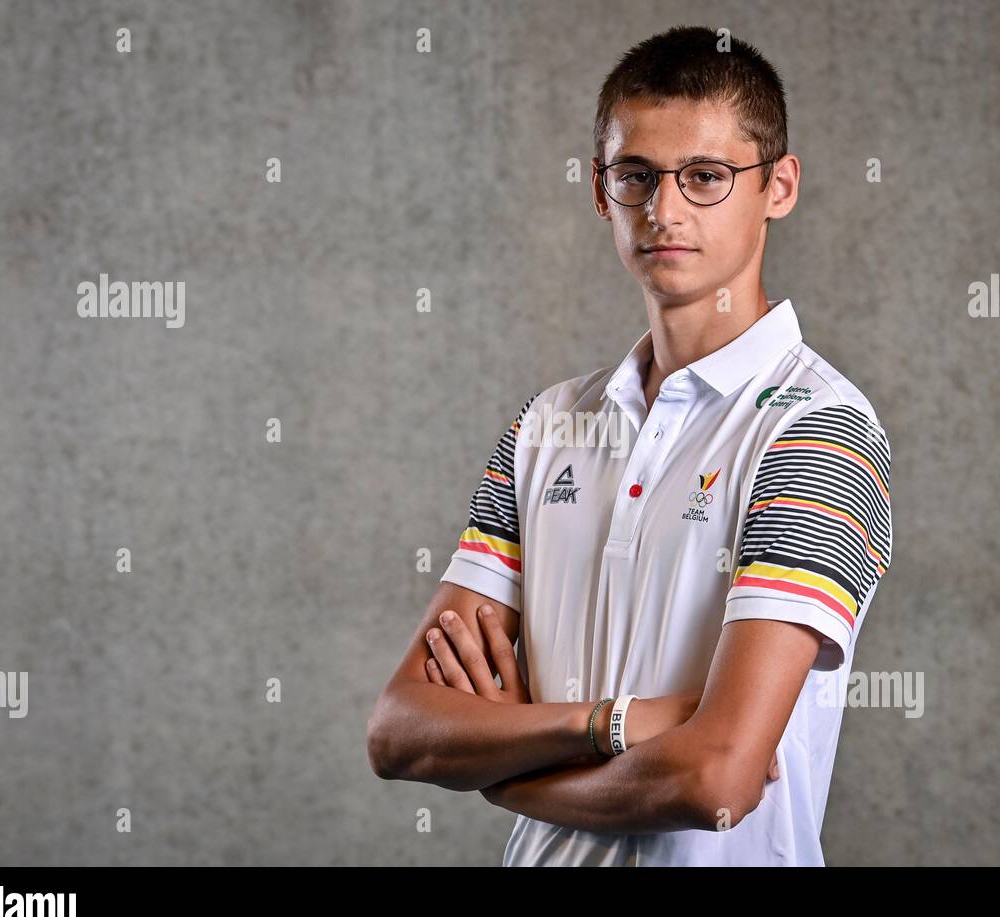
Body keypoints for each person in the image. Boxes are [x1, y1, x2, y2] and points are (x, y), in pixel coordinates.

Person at [367, 24, 893, 866]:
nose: (665, 208)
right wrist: (612, 722)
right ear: (600, 189)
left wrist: (508, 774)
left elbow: (715, 781)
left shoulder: (814, 428)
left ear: (780, 186)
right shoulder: (548, 425)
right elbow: (401, 732)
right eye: (637, 175)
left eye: (708, 177)